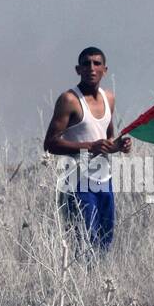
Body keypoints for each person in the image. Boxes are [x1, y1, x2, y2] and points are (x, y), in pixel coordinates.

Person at [42, 46, 132, 250]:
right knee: (83, 239)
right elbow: (50, 144)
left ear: (105, 70)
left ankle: (96, 282)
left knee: (105, 239)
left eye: (97, 63)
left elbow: (107, 136)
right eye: (86, 64)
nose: (91, 68)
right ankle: (79, 280)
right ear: (78, 69)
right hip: (77, 182)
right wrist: (90, 146)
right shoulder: (69, 100)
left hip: (104, 180)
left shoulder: (109, 98)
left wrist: (119, 146)